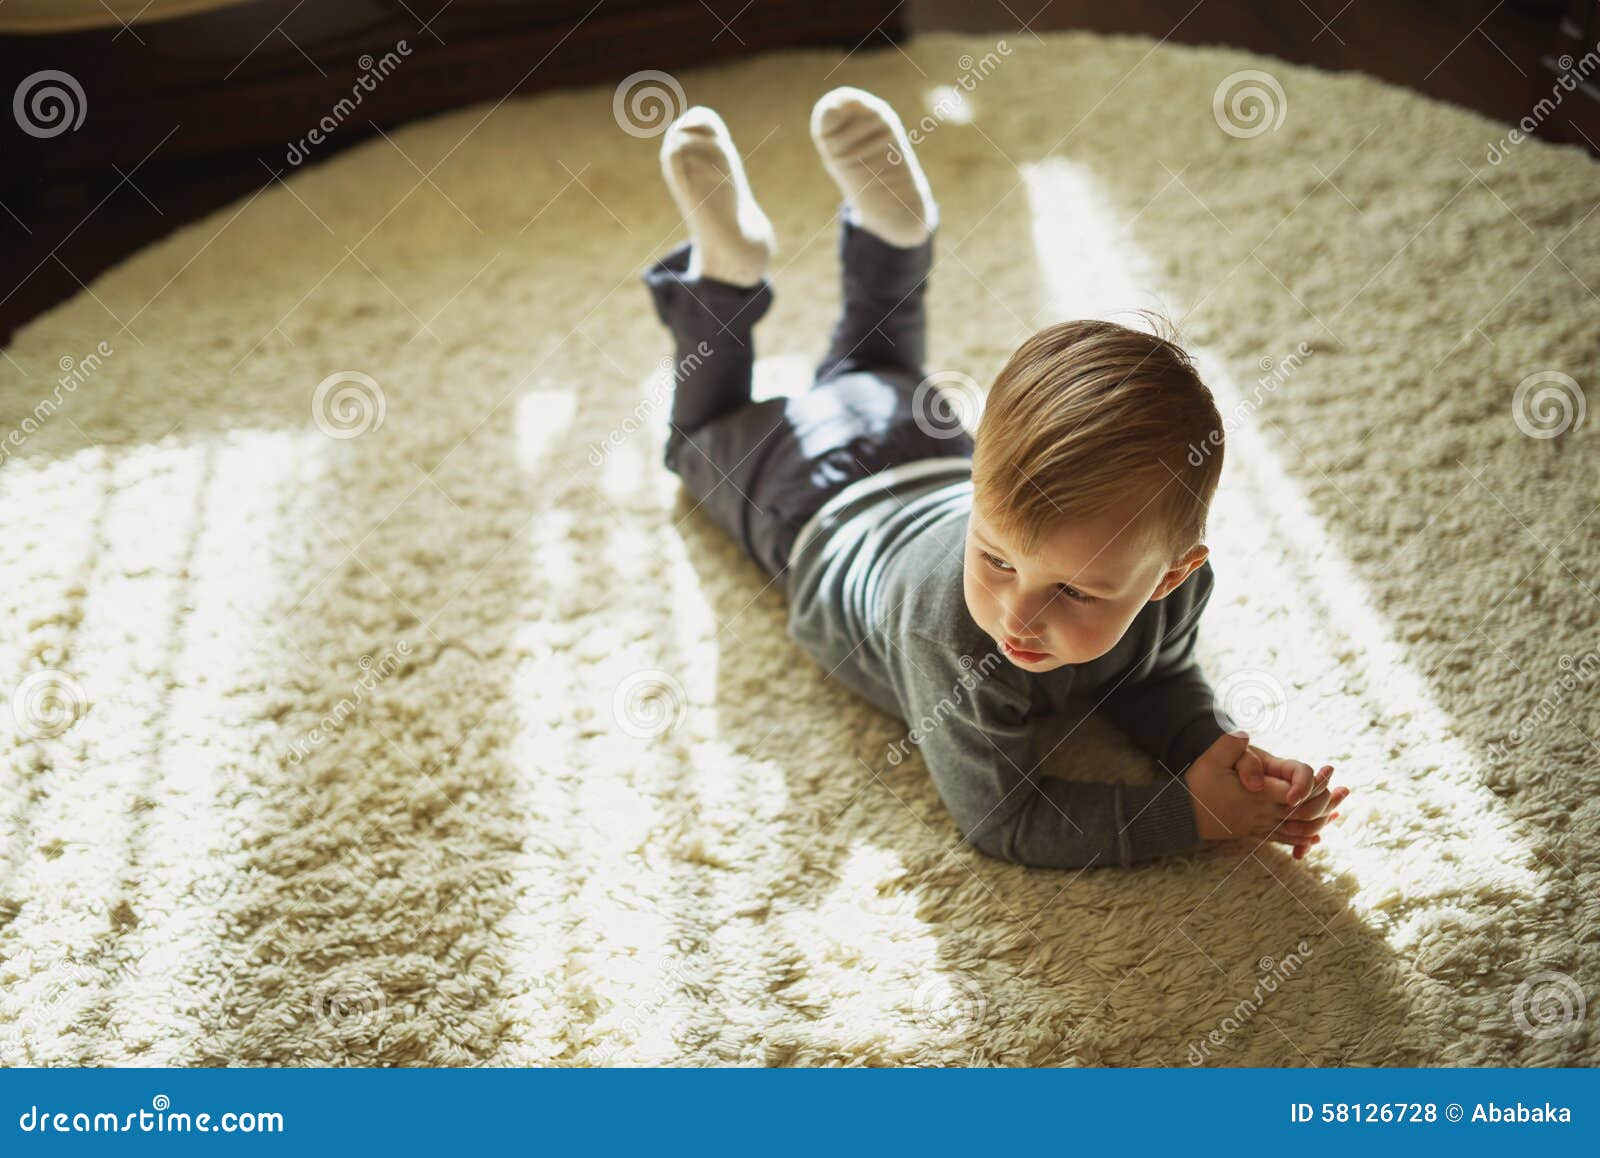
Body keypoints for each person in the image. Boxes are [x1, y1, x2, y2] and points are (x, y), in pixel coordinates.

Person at [640, 87, 1348, 869]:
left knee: (883, 361)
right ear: (983, 483)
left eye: (1074, 592)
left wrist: (1209, 749)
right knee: (696, 441)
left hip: (911, 431)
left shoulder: (1154, 585)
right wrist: (1190, 817)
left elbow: (1153, 671)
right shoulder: (945, 633)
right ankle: (728, 280)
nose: (1017, 615)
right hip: (804, 495)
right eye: (998, 560)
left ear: (1170, 576)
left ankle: (891, 239)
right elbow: (1002, 819)